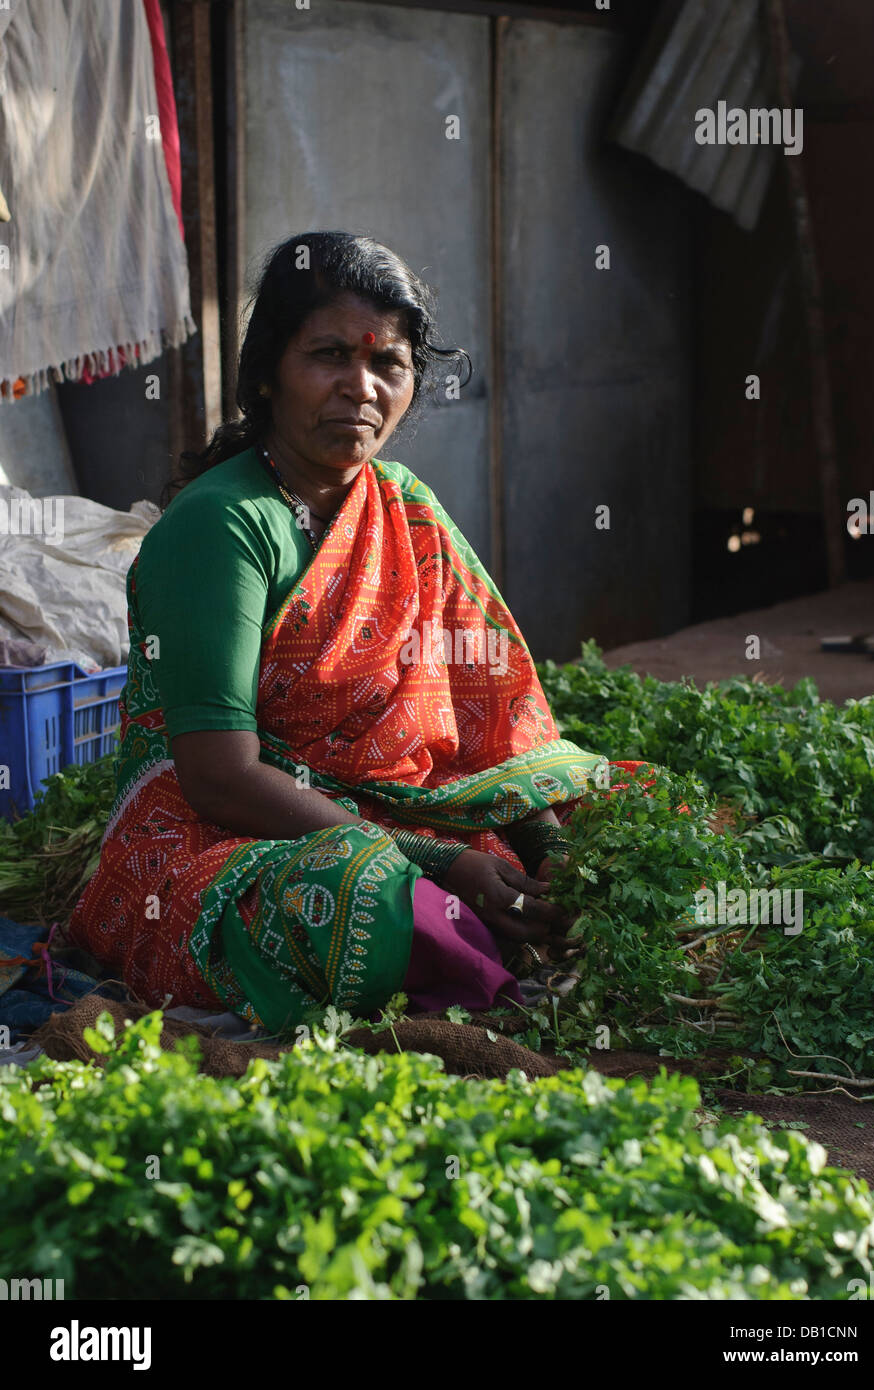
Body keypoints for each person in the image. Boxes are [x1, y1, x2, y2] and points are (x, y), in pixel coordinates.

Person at [67, 232, 606, 1035]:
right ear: (267, 375)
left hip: (394, 815)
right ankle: (453, 959)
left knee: (617, 837)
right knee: (357, 904)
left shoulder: (405, 509)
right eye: (328, 356)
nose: (360, 387)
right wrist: (438, 862)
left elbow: (496, 731)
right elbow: (219, 779)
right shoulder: (220, 527)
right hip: (217, 839)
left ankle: (474, 952)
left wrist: (554, 854)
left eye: (386, 363)